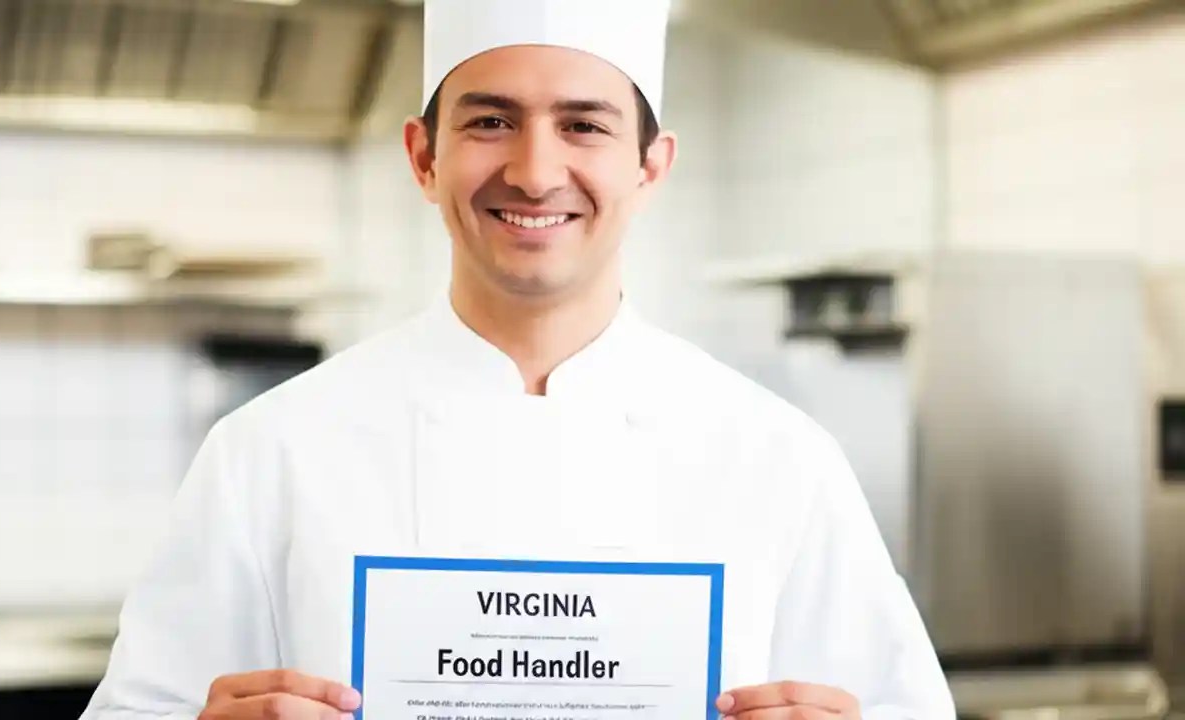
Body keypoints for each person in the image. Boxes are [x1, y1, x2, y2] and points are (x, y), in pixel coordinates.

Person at [79, 0, 956, 718]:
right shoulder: (270, 450)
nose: (536, 172)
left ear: (651, 168)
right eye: (492, 120)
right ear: (424, 157)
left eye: (584, 125)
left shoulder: (778, 458)